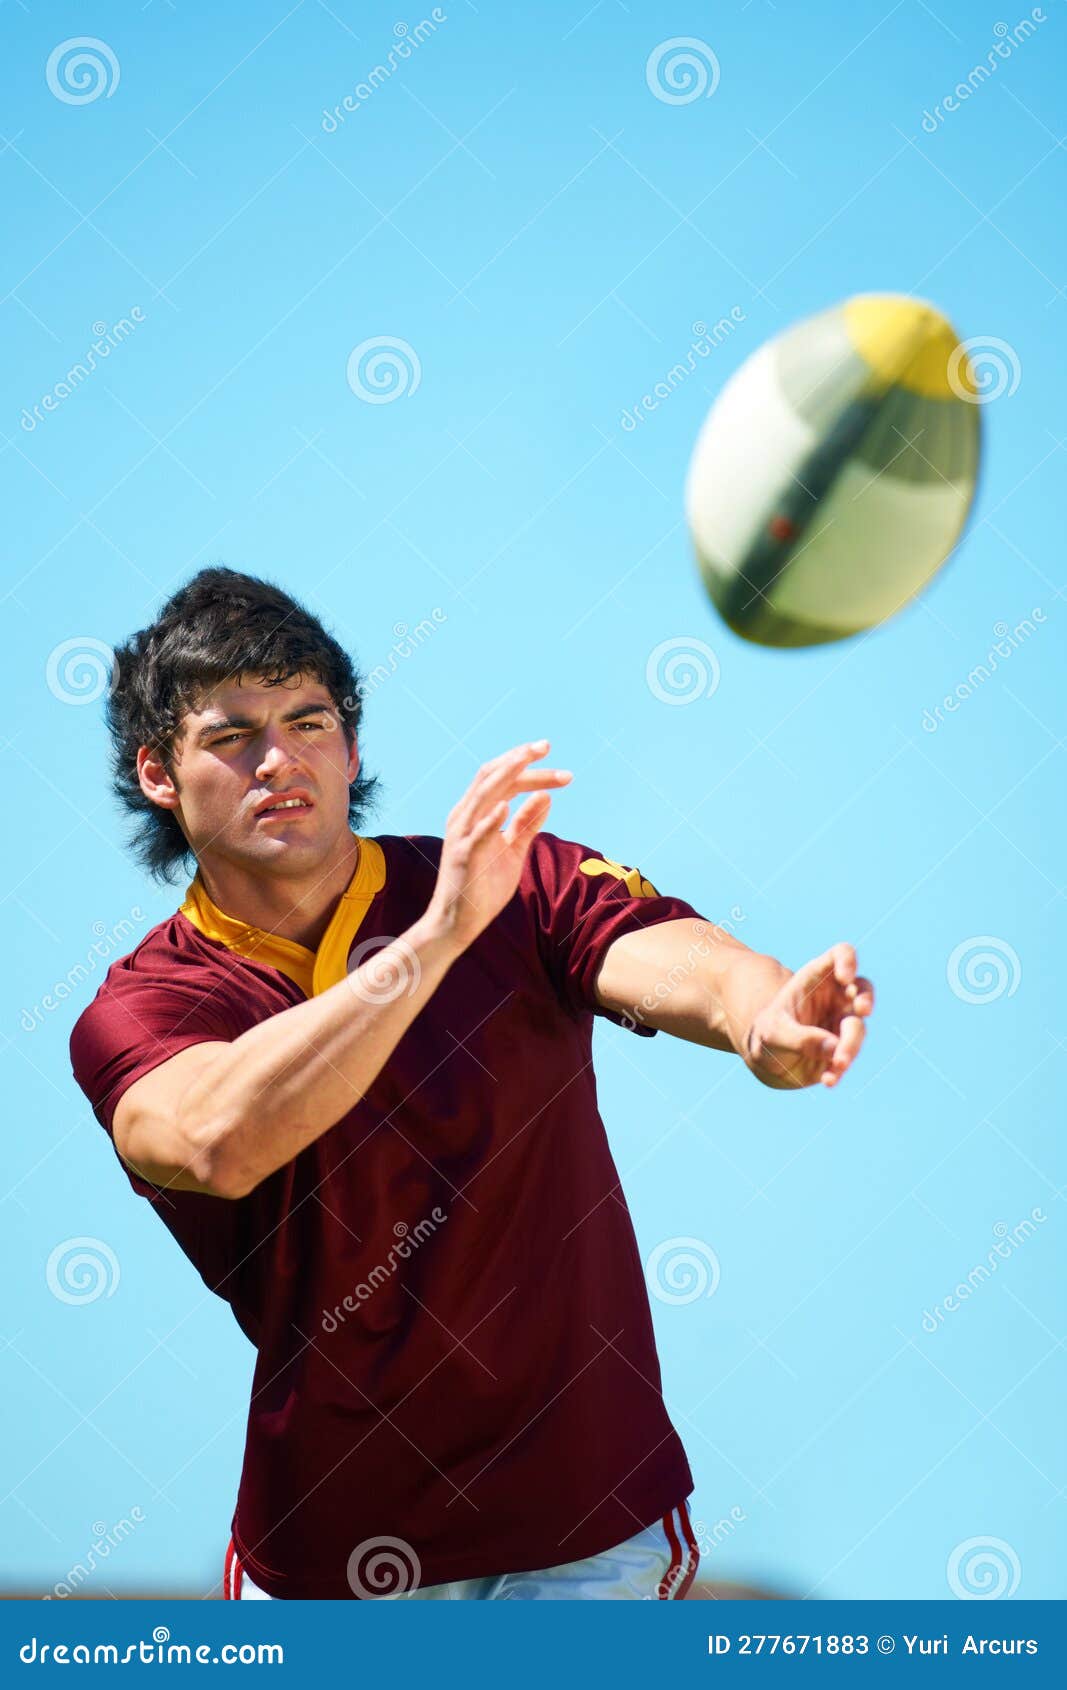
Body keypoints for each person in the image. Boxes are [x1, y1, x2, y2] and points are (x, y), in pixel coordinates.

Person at [69, 567, 874, 1601]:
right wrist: (434, 943)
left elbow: (686, 965)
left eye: (309, 720)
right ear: (158, 776)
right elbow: (214, 1140)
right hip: (325, 1553)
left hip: (588, 1530)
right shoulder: (145, 1005)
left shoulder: (509, 881)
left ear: (351, 748)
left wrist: (764, 1018)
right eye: (232, 737)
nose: (280, 760)